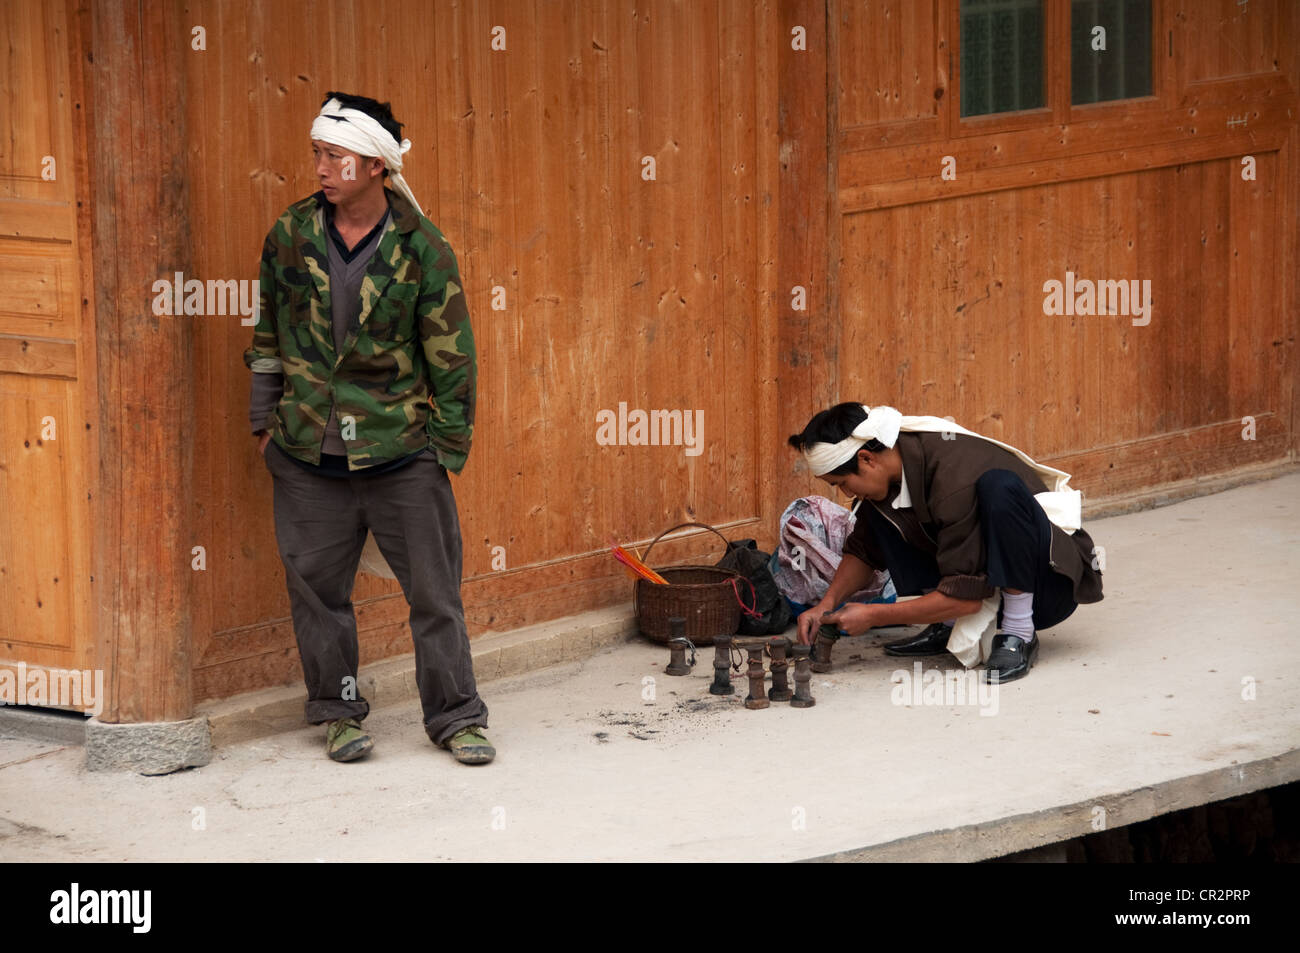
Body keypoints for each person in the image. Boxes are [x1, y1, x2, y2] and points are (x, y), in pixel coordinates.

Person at [245, 91, 494, 763]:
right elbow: (267, 332)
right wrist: (262, 422)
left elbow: (453, 354)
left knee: (435, 594)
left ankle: (457, 716)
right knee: (319, 596)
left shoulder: (422, 248)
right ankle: (338, 712)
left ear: (376, 165)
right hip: (304, 453)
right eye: (317, 155)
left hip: (399, 452)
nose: (321, 169)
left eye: (335, 156)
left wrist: (445, 446)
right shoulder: (290, 236)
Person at [788, 403, 1103, 682]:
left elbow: (968, 599)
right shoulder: (894, 470)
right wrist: (826, 605)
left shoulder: (951, 475)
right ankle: (947, 624)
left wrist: (873, 615)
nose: (846, 494)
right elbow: (864, 550)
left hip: (1047, 588)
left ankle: (1018, 633)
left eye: (843, 483)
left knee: (1000, 487)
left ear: (867, 458)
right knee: (878, 509)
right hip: (985, 578)